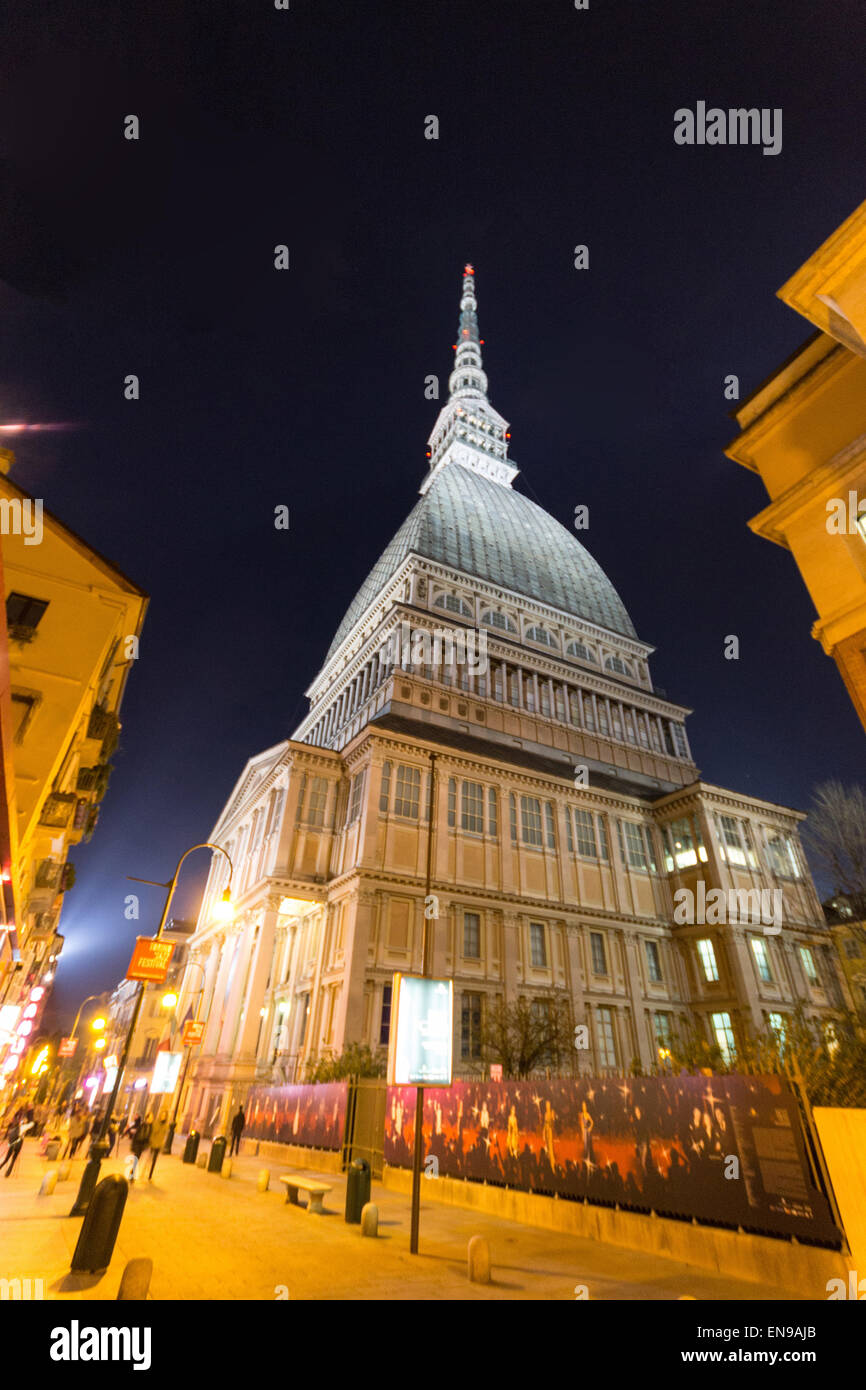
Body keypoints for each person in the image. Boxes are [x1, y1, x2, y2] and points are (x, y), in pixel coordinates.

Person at [146, 1110, 169, 1179]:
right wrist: (151, 1141)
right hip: (153, 1143)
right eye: (162, 1115)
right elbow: (152, 1133)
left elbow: (165, 1135)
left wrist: (163, 1143)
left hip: (159, 1145)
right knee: (148, 1158)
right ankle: (144, 1171)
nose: (163, 1117)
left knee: (154, 1160)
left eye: (164, 1116)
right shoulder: (156, 1123)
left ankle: (150, 1175)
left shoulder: (166, 1125)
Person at [128, 1115, 151, 1183]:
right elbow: (137, 1134)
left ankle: (132, 1174)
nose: (150, 1120)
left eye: (151, 1118)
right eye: (150, 1118)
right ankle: (132, 1175)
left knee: (137, 1160)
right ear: (147, 1118)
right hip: (138, 1144)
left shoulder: (149, 1126)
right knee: (136, 1160)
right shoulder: (143, 1125)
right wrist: (133, 1145)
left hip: (142, 1146)